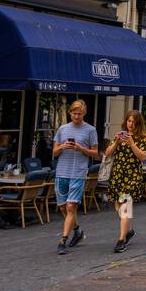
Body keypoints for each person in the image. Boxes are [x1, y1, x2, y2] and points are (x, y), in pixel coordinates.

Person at [53, 100, 100, 254]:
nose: (77, 116)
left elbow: (96, 153)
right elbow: (54, 152)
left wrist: (80, 148)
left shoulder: (90, 130)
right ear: (70, 113)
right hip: (62, 172)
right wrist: (62, 146)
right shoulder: (62, 129)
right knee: (62, 207)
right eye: (74, 113)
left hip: (78, 172)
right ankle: (77, 231)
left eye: (80, 114)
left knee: (71, 207)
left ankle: (63, 241)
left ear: (84, 114)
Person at [105, 110, 146, 253]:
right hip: (118, 174)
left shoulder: (143, 137)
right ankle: (129, 230)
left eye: (134, 122)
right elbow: (108, 153)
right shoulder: (120, 135)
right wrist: (117, 141)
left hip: (132, 176)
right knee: (119, 207)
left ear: (139, 124)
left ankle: (121, 240)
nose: (131, 125)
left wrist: (131, 143)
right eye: (129, 121)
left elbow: (142, 157)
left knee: (125, 207)